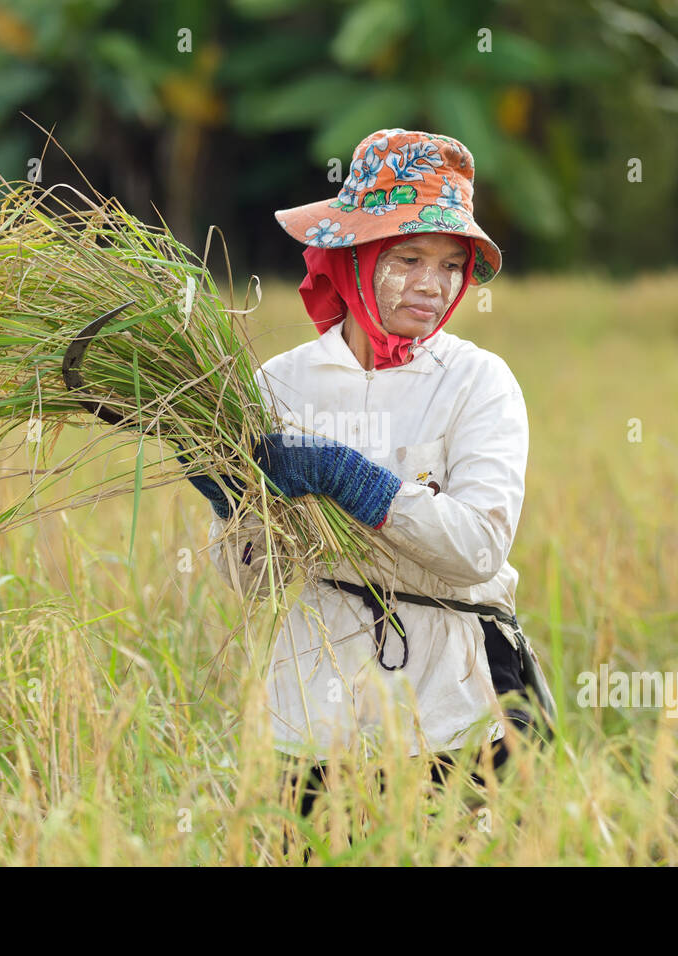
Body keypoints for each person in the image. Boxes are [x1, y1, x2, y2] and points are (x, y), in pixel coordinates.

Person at [186, 128, 551, 821]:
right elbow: (250, 581)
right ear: (353, 258)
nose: (431, 284)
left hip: (453, 706)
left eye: (450, 265)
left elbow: (478, 548)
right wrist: (235, 507)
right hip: (313, 715)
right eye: (408, 257)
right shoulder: (281, 384)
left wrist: (350, 478)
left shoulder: (478, 383)